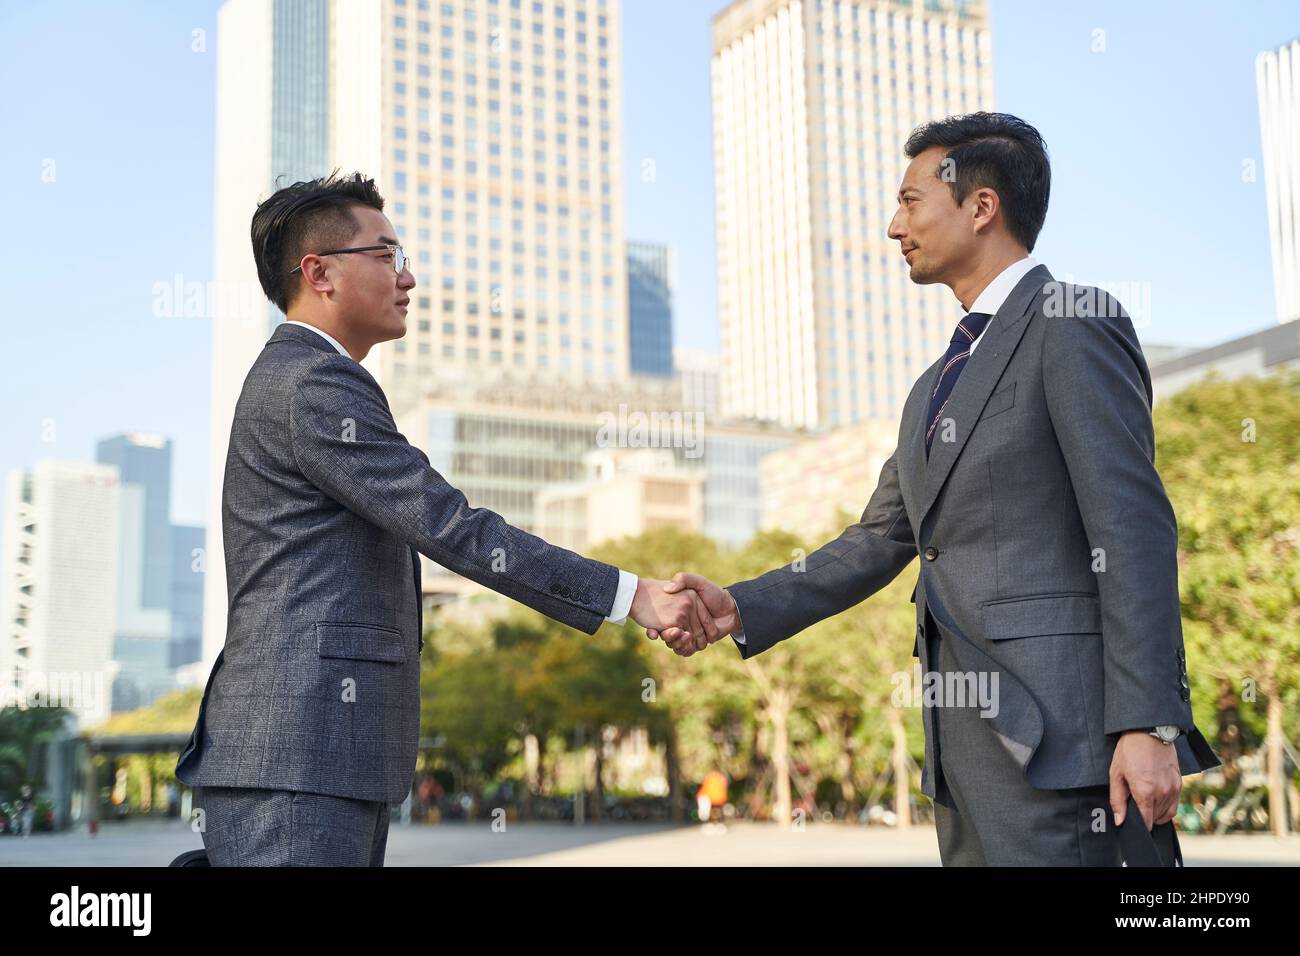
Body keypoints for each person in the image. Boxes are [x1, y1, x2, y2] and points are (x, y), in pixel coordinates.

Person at [649, 112, 1221, 866]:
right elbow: (878, 538)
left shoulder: (1072, 322)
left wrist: (1150, 724)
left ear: (981, 207)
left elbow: (1133, 528)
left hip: (1070, 746)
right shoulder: (931, 390)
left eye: (911, 200)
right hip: (964, 756)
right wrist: (742, 602)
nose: (894, 226)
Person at [176, 171, 711, 866]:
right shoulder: (312, 381)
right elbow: (452, 526)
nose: (410, 277)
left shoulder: (306, 376)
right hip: (298, 755)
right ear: (320, 273)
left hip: (316, 755)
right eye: (388, 255)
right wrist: (631, 595)